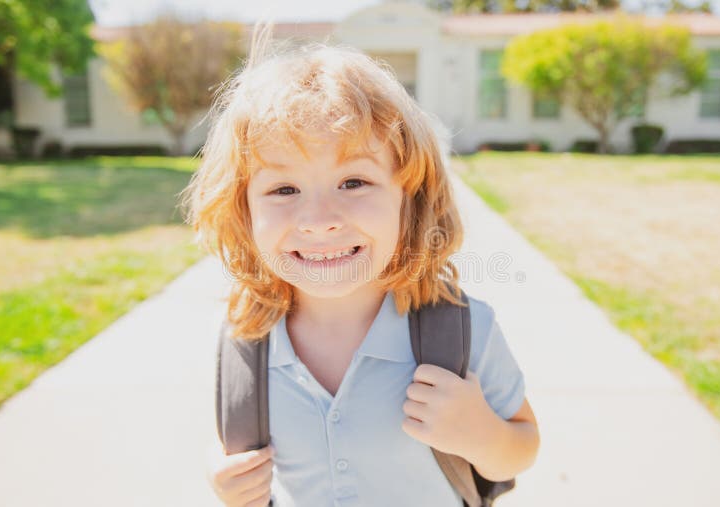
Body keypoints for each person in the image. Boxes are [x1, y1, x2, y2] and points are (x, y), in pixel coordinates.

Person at [181, 22, 540, 507]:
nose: (319, 221)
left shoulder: (460, 330)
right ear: (244, 213)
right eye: (284, 190)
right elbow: (233, 439)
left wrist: (482, 438)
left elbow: (521, 445)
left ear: (408, 199)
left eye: (353, 182)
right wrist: (221, 472)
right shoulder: (245, 345)